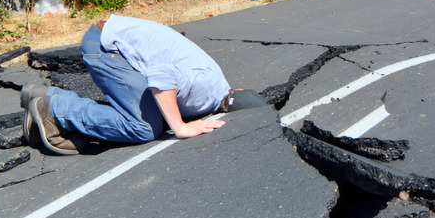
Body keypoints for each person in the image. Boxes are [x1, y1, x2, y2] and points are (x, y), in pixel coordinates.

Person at [19, 15, 264, 155]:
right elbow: (161, 75)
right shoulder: (205, 93)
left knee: (155, 112)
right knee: (145, 127)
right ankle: (53, 111)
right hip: (105, 47)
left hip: (110, 39)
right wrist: (180, 127)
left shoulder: (218, 83)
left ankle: (45, 93)